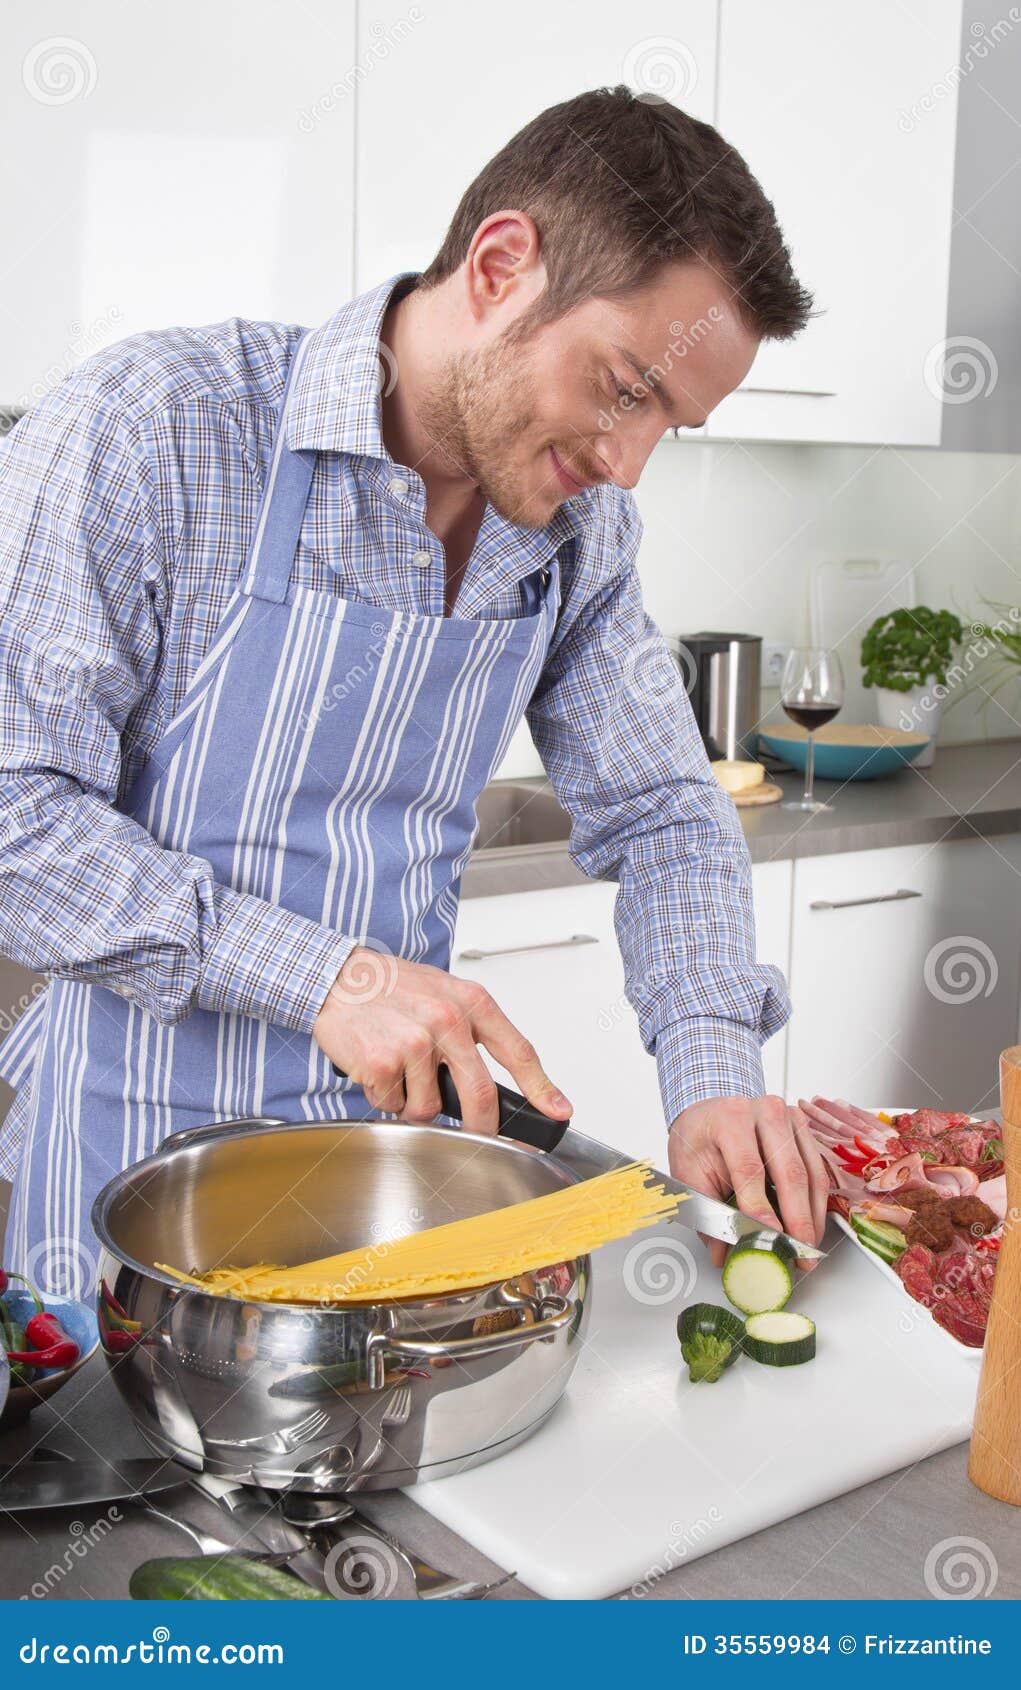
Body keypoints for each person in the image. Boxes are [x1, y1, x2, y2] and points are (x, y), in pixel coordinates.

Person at [0, 86, 829, 1293]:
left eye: (670, 426)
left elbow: (662, 811)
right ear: (499, 267)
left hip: (394, 1184)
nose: (627, 464)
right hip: (122, 1187)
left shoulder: (576, 535)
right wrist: (328, 978)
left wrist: (712, 1068)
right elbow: (14, 812)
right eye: (624, 386)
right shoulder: (159, 429)